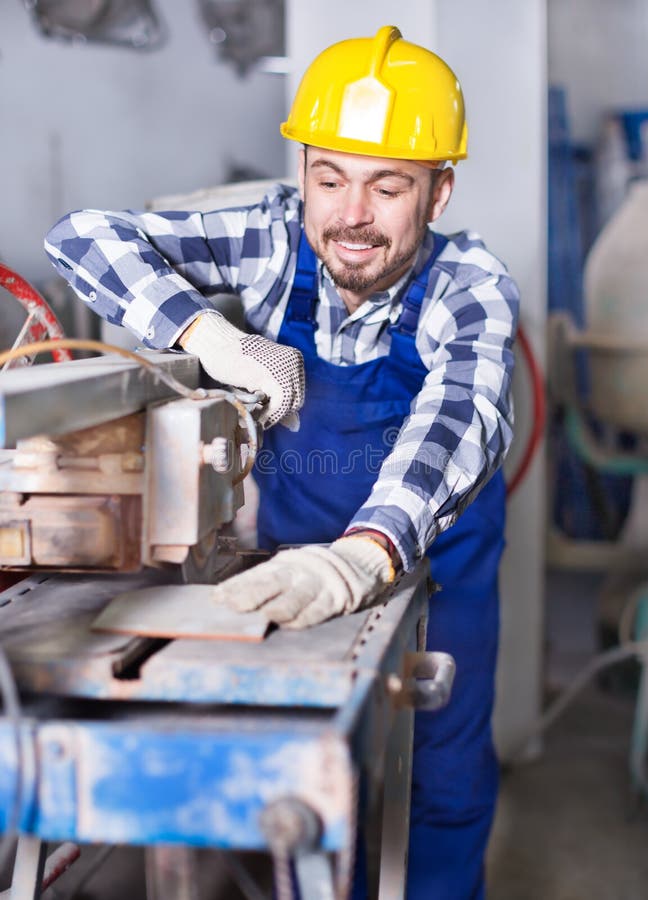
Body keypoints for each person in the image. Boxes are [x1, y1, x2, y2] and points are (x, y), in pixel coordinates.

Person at [45, 25, 518, 900]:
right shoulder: (270, 237)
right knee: (301, 780)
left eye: (388, 186)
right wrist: (208, 335)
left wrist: (364, 551)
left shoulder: (468, 285)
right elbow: (81, 235)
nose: (350, 215)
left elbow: (465, 413)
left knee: (442, 787)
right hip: (290, 577)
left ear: (439, 193)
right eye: (328, 177)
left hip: (437, 576)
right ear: (301, 171)